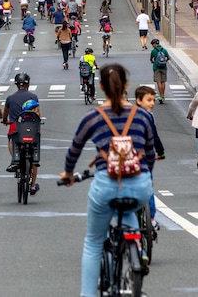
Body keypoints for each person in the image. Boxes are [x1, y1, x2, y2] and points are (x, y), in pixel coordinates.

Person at [60, 64, 155, 297]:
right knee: (130, 212)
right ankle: (137, 251)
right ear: (126, 86)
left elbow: (74, 149)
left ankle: (88, 294)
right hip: (140, 185)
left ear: (101, 87)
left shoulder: (93, 117)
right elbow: (151, 153)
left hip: (106, 185)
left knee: (94, 242)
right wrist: (144, 177)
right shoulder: (143, 116)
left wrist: (68, 173)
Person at [135, 85, 165, 230]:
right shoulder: (148, 117)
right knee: (148, 187)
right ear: (138, 100)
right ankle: (151, 218)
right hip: (144, 157)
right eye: (149, 100)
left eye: (153, 100)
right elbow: (154, 136)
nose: (152, 103)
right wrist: (161, 152)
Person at [3, 73, 40, 177]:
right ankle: (33, 184)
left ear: (17, 85)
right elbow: (37, 114)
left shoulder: (10, 98)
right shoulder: (33, 97)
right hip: (32, 128)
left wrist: (5, 120)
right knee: (34, 158)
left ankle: (15, 159)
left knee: (11, 141)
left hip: (16, 128)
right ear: (28, 84)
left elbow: (5, 113)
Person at [150, 38, 169, 103]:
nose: (152, 45)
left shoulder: (153, 51)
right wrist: (165, 61)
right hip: (164, 67)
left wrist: (153, 61)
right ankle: (162, 95)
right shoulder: (164, 50)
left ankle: (160, 95)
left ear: (155, 44)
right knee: (163, 81)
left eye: (152, 44)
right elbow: (168, 57)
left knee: (158, 82)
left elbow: (151, 59)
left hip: (156, 67)